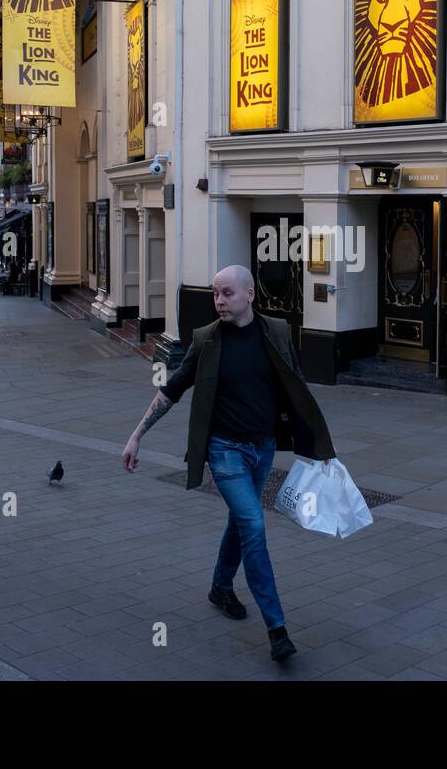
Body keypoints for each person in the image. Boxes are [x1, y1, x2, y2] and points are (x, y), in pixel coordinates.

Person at [120, 265, 338, 664]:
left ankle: (221, 586)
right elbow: (172, 388)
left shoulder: (276, 332)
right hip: (225, 451)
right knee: (253, 524)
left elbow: (296, 386)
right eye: (216, 294)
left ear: (250, 295)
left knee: (242, 520)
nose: (219, 301)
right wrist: (137, 435)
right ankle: (277, 629)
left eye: (227, 294)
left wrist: (317, 447)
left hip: (264, 448)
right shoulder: (206, 341)